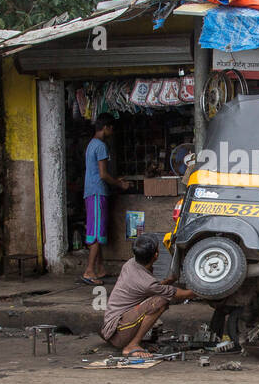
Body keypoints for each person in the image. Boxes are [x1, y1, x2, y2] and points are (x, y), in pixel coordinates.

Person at [100, 236, 195, 356]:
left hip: (113, 328)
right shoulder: (147, 283)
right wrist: (203, 290)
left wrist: (169, 280)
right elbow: (178, 294)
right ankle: (132, 345)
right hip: (118, 332)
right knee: (161, 301)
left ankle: (133, 342)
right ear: (156, 255)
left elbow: (151, 288)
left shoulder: (131, 263)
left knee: (157, 299)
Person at [82, 114, 130, 286]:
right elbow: (103, 174)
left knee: (96, 231)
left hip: (91, 192)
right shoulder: (101, 146)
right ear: (107, 127)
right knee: (95, 233)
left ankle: (99, 268)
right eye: (112, 128)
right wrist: (119, 184)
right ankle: (89, 271)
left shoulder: (91, 144)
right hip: (97, 192)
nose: (112, 131)